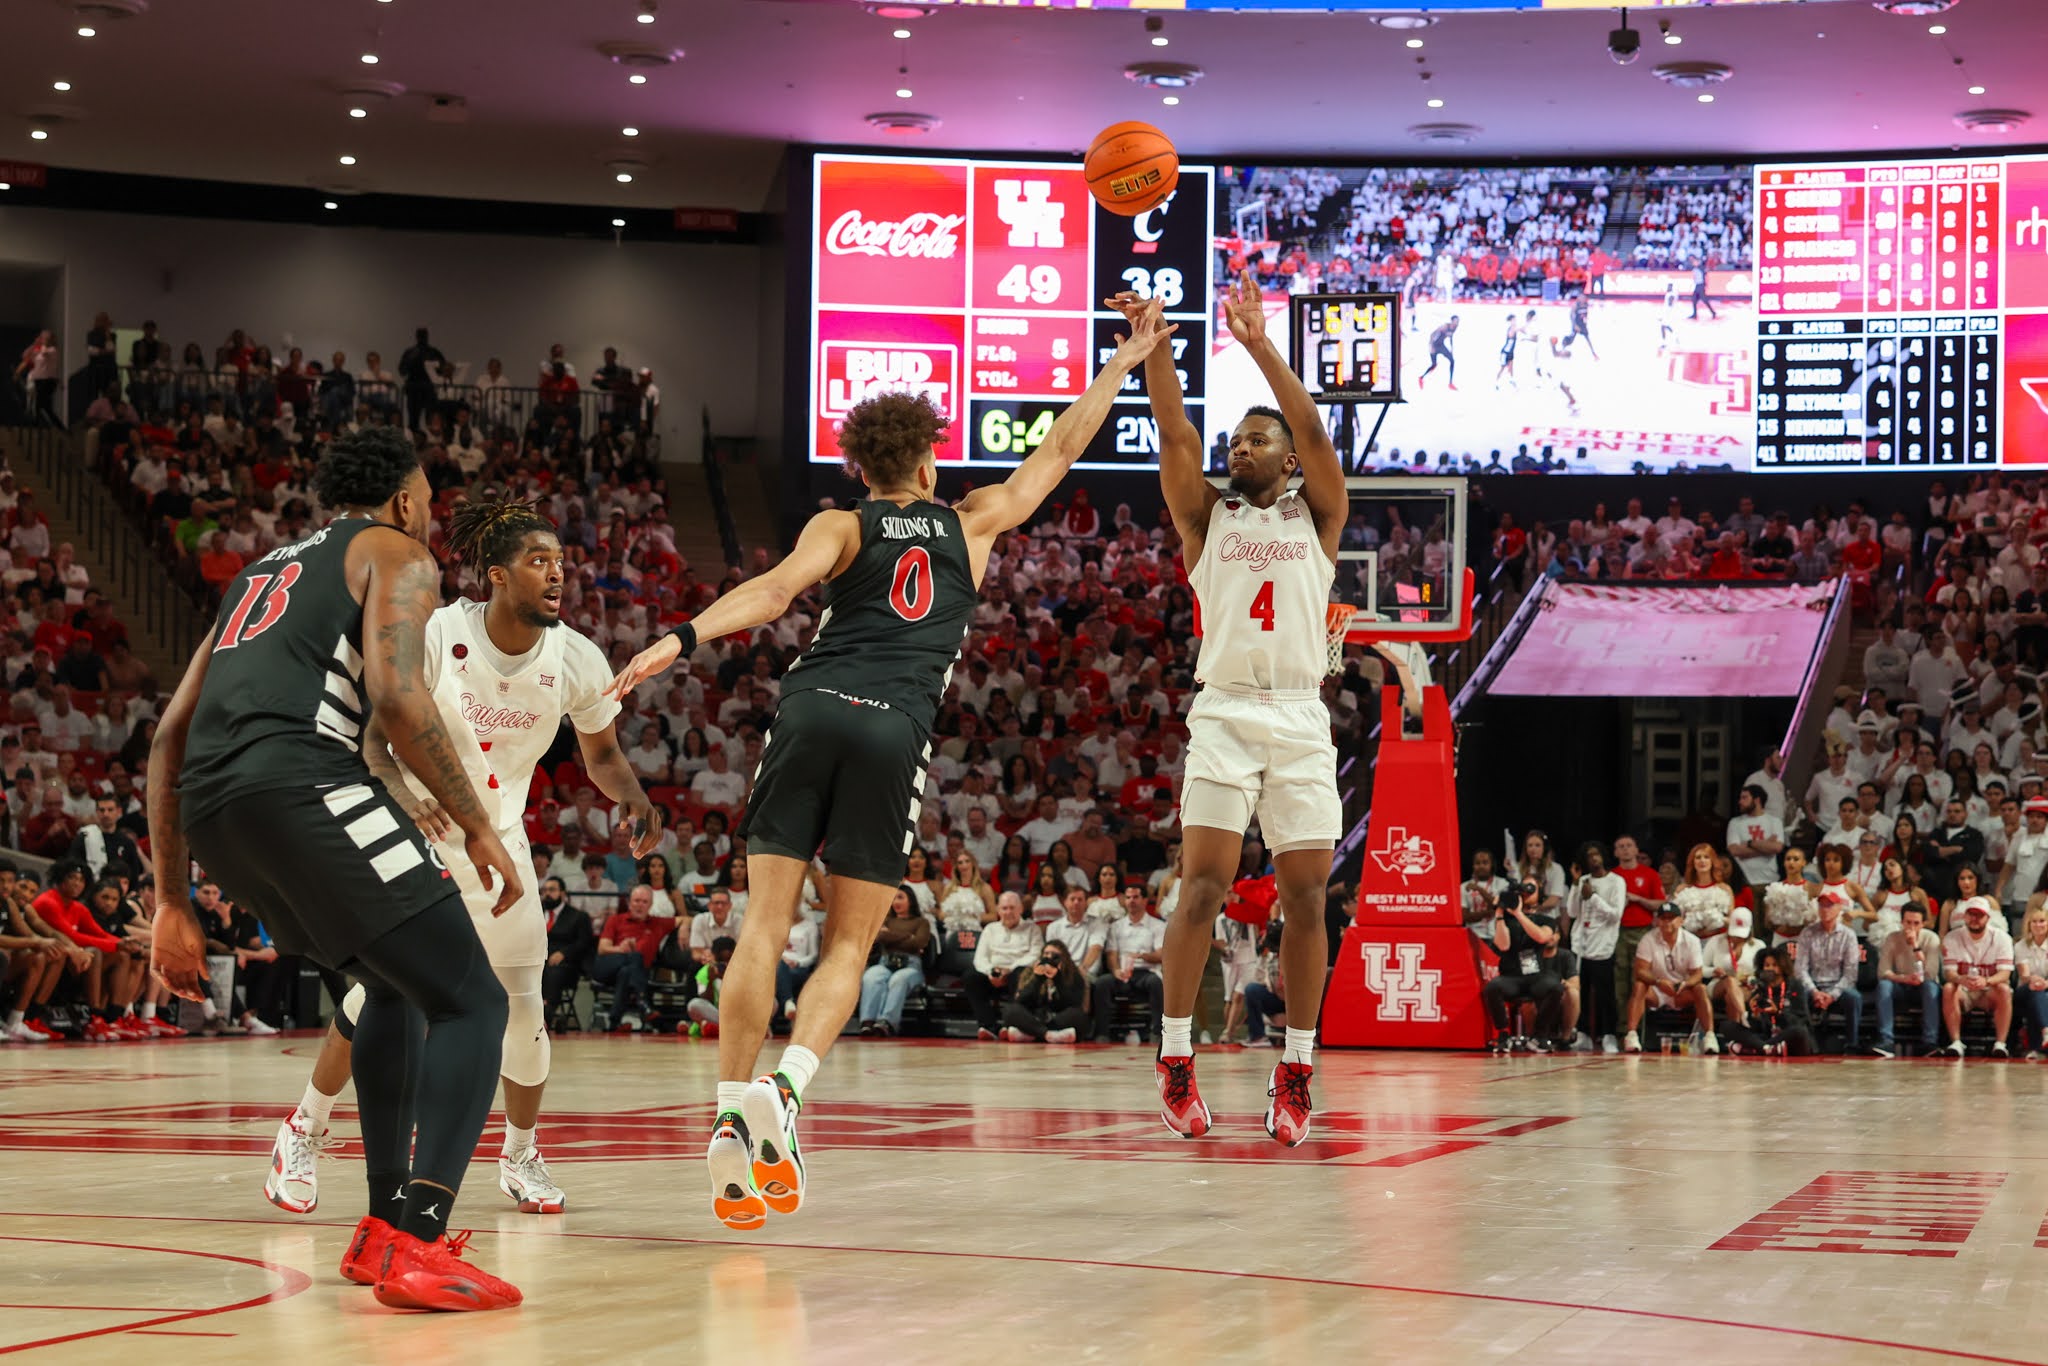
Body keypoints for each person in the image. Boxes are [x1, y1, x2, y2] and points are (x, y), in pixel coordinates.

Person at [602, 310, 1176, 1227]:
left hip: (809, 709)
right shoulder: (973, 520)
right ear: (927, 463)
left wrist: (682, 636)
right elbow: (1060, 451)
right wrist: (1124, 360)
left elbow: (774, 594)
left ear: (863, 468)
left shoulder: (842, 522)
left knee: (762, 928)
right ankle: (783, 1095)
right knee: (846, 943)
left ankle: (725, 1117)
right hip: (891, 728)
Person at [146, 426, 525, 1310]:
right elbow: (397, 695)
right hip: (302, 782)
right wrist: (478, 823)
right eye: (428, 501)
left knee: (391, 984)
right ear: (402, 501)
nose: (430, 518)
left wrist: (172, 898)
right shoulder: (394, 550)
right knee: (475, 997)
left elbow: (168, 736)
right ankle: (421, 1238)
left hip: (215, 808)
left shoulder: (259, 574)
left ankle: (384, 1229)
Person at [260, 495, 661, 1218]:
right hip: (416, 832)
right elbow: (377, 731)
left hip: (499, 845)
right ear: (496, 576)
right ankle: (304, 1130)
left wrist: (632, 796)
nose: (556, 575)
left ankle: (520, 1155)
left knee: (524, 1012)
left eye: (560, 563)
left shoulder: (576, 657)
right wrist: (401, 796)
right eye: (538, 561)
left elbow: (601, 753)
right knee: (384, 995)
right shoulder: (441, 631)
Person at [1117, 278, 1348, 1148]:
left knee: (1306, 897)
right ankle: (1176, 1059)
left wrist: (1257, 343)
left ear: (1287, 460)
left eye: (1258, 439)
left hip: (1297, 716)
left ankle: (1295, 1068)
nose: (1239, 446)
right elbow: (1176, 432)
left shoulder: (1318, 516)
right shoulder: (1205, 517)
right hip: (1223, 713)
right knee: (1203, 885)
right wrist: (1157, 345)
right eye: (1237, 438)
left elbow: (1316, 430)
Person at [1622, 901, 1715, 1054]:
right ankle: (1631, 1035)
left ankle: (1709, 1037)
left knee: (1700, 988)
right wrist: (1658, 982)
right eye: (1663, 918)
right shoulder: (1648, 939)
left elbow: (1697, 974)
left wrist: (1685, 984)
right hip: (1657, 990)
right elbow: (1640, 971)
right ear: (1657, 921)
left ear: (1680, 920)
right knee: (1639, 986)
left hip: (1682, 991)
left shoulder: (1691, 941)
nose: (1667, 922)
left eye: (1671, 918)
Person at [1481, 881, 1562, 1051]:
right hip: (1512, 977)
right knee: (1493, 987)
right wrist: (1500, 914)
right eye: (1523, 890)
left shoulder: (1545, 919)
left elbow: (1541, 937)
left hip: (1536, 976)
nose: (1527, 893)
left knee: (1555, 987)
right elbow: (1503, 946)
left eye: (1532, 889)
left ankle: (1539, 1035)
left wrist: (1519, 914)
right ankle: (1503, 1034)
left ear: (1540, 895)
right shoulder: (1506, 919)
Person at [1567, 841, 1624, 1052]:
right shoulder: (1582, 880)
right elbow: (1573, 912)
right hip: (1581, 943)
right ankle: (1582, 1034)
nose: (1593, 859)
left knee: (1604, 994)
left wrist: (1594, 897)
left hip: (1603, 944)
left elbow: (1616, 914)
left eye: (1596, 854)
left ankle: (1608, 1034)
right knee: (1580, 992)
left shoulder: (1616, 881)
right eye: (1589, 856)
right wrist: (1575, 885)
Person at [964, 890, 1043, 1041]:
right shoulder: (990, 929)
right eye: (1004, 908)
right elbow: (980, 958)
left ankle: (1012, 1025)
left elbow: (1035, 955)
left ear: (1021, 909)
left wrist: (1010, 969)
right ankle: (989, 1027)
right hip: (993, 974)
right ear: (998, 910)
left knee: (1019, 974)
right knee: (970, 977)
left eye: (1012, 908)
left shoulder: (1032, 929)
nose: (1008, 912)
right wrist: (991, 972)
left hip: (1018, 974)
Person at [1940, 896, 2013, 1058]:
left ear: (1988, 917)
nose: (1975, 919)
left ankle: (2000, 1044)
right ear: (1964, 916)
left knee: (2004, 989)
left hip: (1989, 990)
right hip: (1964, 989)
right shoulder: (1952, 937)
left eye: (1979, 915)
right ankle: (1956, 1042)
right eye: (1971, 914)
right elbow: (1949, 972)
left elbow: (2005, 973)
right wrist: (1961, 979)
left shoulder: (2002, 938)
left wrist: (1986, 981)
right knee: (1948, 988)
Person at [1796, 889, 1866, 1053]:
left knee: (1854, 997)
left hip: (1838, 986)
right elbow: (1800, 969)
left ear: (1839, 909)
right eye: (1822, 905)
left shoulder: (1848, 935)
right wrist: (1814, 991)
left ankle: (1852, 1044)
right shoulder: (1807, 933)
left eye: (1829, 906)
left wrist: (1832, 995)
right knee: (1798, 993)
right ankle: (1806, 1042)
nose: (1825, 909)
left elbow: (1850, 973)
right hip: (1813, 986)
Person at [856, 886, 931, 1038]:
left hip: (911, 966)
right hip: (885, 963)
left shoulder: (921, 922)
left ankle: (886, 1023)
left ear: (911, 900)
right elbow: (879, 938)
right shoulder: (887, 920)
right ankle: (868, 1022)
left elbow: (919, 943)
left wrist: (890, 936)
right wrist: (907, 936)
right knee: (871, 975)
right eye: (894, 898)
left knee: (899, 979)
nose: (896, 902)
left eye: (901, 897)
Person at [1873, 903, 1942, 1059]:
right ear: (1902, 922)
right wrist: (1904, 978)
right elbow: (1883, 972)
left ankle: (1930, 1042)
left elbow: (1931, 973)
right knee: (1884, 986)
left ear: (1923, 924)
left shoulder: (1931, 938)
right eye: (1908, 922)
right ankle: (1886, 1040)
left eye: (1916, 923)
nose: (1911, 927)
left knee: (1931, 988)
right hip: (1901, 984)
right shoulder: (1892, 938)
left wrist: (1915, 946)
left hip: (1922, 985)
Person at [1000, 939, 1090, 1043]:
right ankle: (1048, 1035)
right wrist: (1038, 979)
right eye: (1046, 954)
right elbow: (1021, 1000)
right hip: (1034, 1018)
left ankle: (1031, 1035)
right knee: (1010, 1010)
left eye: (1054, 955)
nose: (1049, 958)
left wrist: (1058, 978)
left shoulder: (1073, 974)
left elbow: (1073, 1003)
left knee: (1078, 1015)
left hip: (1059, 1019)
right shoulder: (1029, 972)